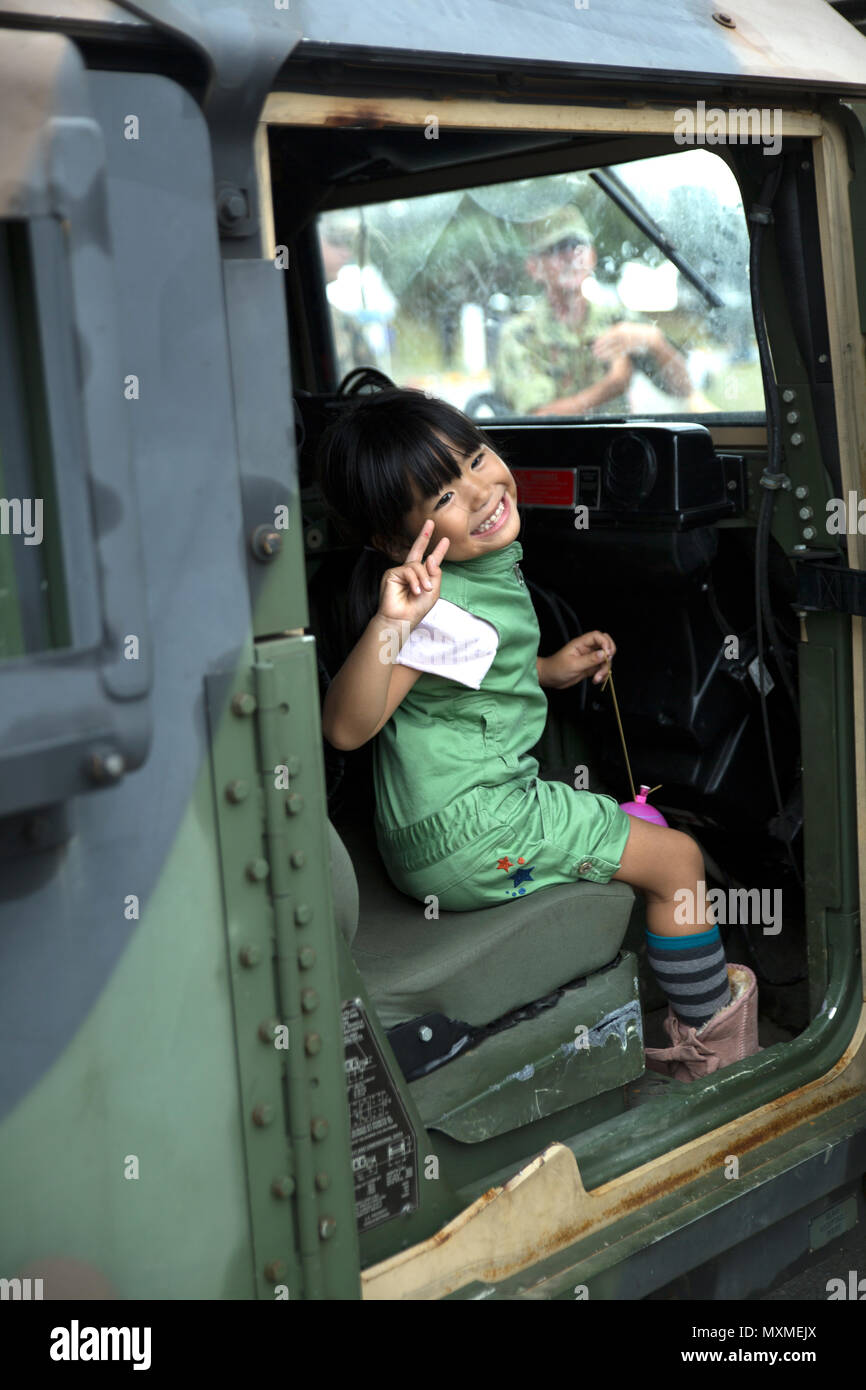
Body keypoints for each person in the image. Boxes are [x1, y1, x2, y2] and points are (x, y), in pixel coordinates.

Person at [317, 387, 758, 1080]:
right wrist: (392, 624)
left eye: (476, 458)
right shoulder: (435, 610)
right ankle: (716, 1059)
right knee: (676, 861)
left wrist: (550, 670)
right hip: (475, 830)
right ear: (394, 543)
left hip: (435, 827)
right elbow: (346, 727)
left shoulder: (475, 581)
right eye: (441, 500)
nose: (480, 491)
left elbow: (477, 674)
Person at [494, 208, 692, 417]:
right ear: (534, 268)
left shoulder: (618, 321)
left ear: (593, 257)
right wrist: (612, 386)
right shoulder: (520, 335)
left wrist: (654, 341)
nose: (570, 256)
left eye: (577, 245)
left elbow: (684, 389)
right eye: (556, 249)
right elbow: (537, 419)